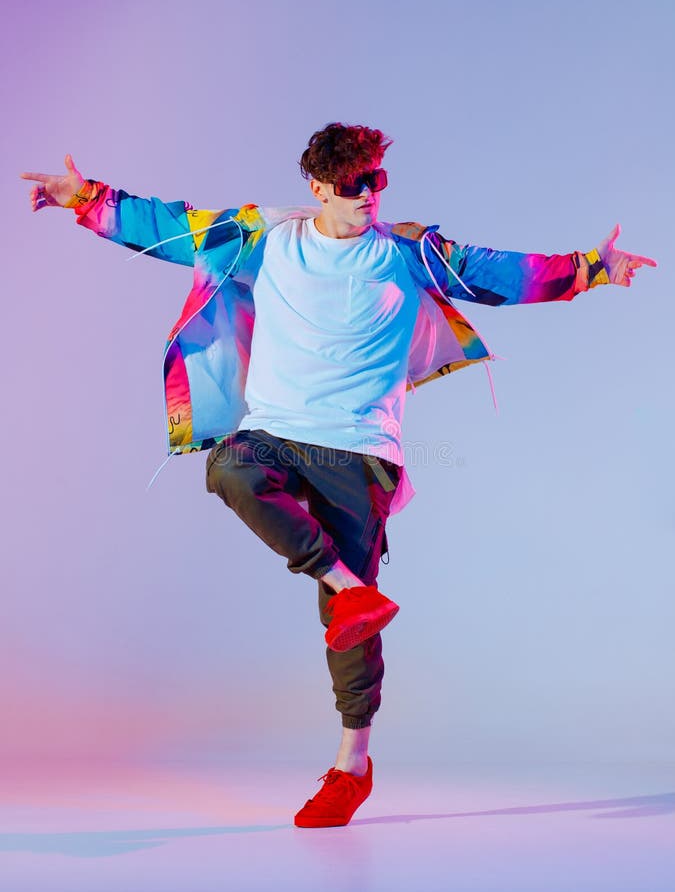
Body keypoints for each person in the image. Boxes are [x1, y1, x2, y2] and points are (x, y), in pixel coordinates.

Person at [21, 124, 656, 828]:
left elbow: (498, 273)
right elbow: (170, 228)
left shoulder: (409, 254)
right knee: (231, 470)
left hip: (359, 450)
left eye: (376, 180)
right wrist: (86, 197)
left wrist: (592, 268)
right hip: (276, 432)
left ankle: (352, 765)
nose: (368, 196)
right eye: (353, 184)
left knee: (347, 627)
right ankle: (348, 587)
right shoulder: (264, 238)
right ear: (319, 187)